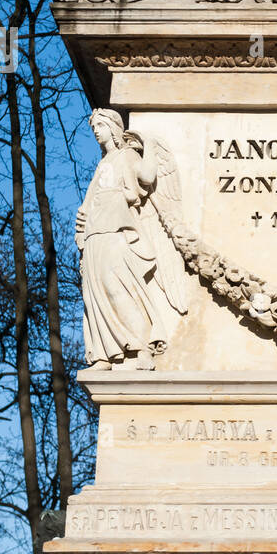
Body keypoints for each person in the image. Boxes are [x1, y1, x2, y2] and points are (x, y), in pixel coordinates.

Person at [75, 108, 170, 370]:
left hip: (116, 231)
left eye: (101, 125)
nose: (96, 130)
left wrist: (148, 144)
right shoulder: (103, 163)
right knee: (95, 294)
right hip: (95, 233)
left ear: (115, 129)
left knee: (118, 288)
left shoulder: (126, 156)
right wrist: (82, 228)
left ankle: (140, 349)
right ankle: (105, 355)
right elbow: (90, 201)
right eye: (94, 126)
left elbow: (147, 177)